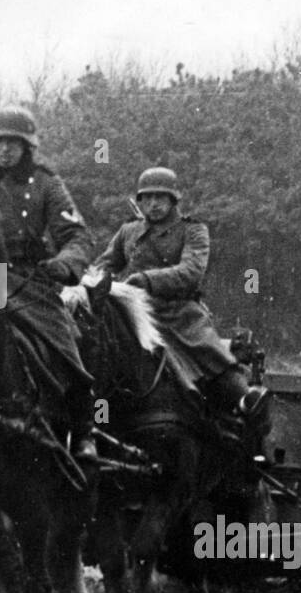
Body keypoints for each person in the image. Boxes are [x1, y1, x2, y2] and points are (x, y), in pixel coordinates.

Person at [0, 105, 99, 461]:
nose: (4, 149)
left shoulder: (46, 182)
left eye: (13, 142)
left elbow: (77, 235)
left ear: (28, 146)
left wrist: (62, 265)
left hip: (26, 278)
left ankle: (85, 429)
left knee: (67, 339)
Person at [94, 166, 270, 434]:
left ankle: (244, 398)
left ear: (173, 200)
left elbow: (191, 271)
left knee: (207, 348)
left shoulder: (193, 230)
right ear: (140, 201)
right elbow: (105, 264)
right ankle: (94, 417)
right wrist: (92, 283)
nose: (153, 204)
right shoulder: (128, 232)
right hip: (134, 310)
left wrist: (147, 279)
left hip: (178, 312)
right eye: (147, 198)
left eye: (160, 198)